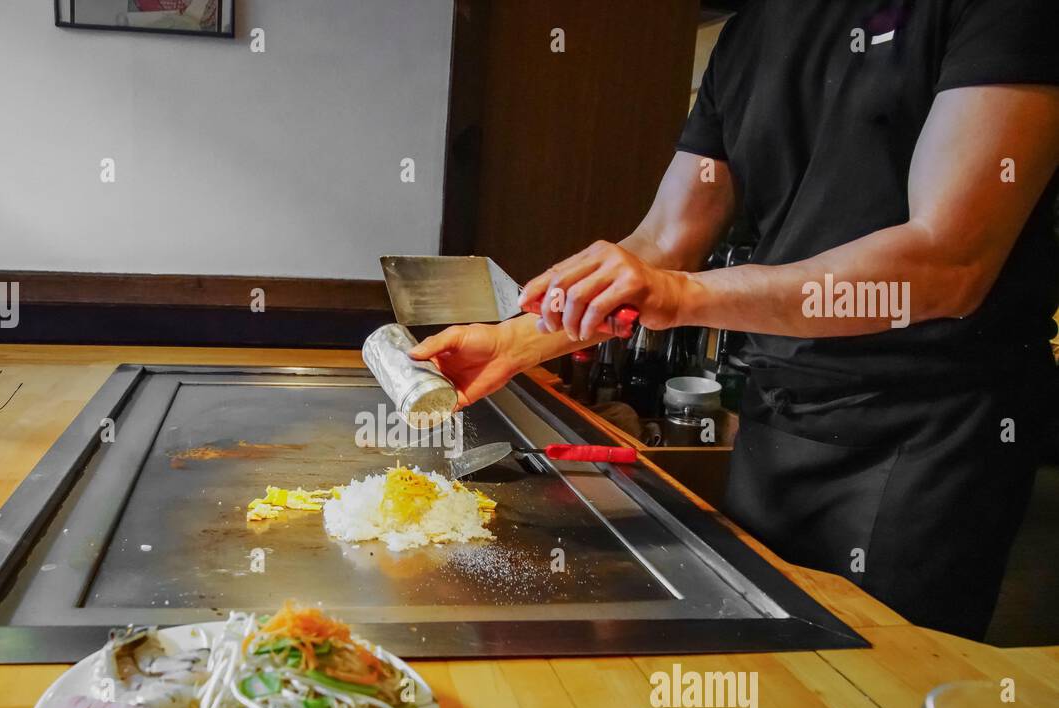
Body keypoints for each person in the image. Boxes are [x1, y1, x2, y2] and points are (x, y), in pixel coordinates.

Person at [410, 0, 1059, 641]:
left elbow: (949, 262)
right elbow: (666, 237)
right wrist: (515, 338)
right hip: (779, 409)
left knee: (873, 690)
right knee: (760, 648)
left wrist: (684, 294)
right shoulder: (750, 33)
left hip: (926, 427)